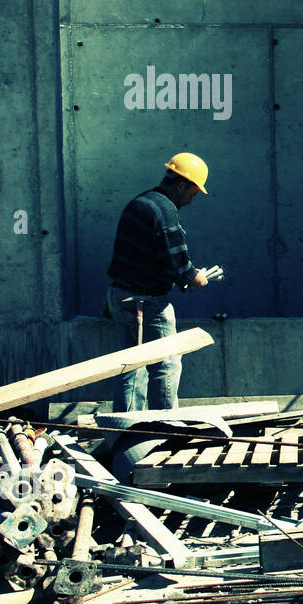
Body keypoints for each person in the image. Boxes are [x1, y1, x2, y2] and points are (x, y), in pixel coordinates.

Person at [104, 152, 212, 413]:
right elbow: (178, 262)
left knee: (131, 367)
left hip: (121, 295)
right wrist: (195, 278)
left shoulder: (141, 202)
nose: (191, 200)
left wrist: (180, 275)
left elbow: (150, 256)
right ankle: (165, 428)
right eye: (192, 194)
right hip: (146, 303)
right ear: (181, 185)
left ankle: (126, 433)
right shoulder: (165, 211)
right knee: (165, 365)